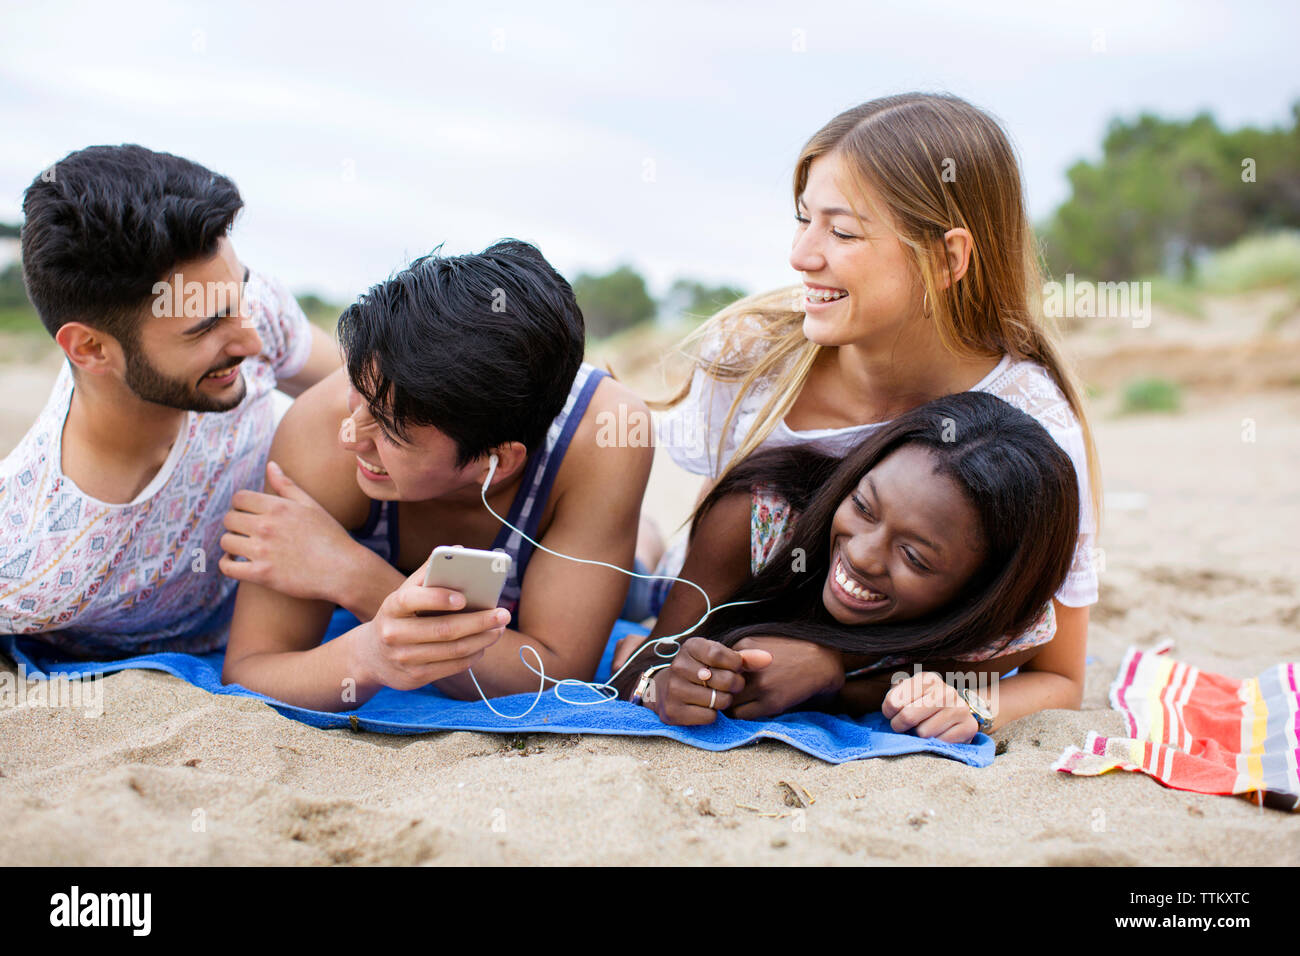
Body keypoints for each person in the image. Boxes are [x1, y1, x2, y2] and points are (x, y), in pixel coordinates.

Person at [617, 92, 1100, 728]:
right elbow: (718, 557)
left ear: (949, 258)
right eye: (803, 218)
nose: (801, 255)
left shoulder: (1032, 432)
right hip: (737, 596)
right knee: (640, 564)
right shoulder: (757, 359)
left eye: (843, 231)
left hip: (881, 639)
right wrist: (664, 665)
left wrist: (916, 689)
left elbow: (1059, 675)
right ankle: (642, 551)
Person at [219, 240, 654, 712]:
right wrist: (365, 656)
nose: (351, 436)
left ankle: (645, 541)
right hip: (508, 592)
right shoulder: (320, 429)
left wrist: (350, 574)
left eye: (388, 429)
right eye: (357, 392)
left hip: (557, 563)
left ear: (494, 462)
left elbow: (555, 677)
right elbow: (249, 670)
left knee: (637, 587)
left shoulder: (603, 436)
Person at [0, 145, 339, 657]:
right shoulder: (27, 552)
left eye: (240, 298)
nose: (250, 340)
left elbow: (370, 398)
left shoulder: (240, 306)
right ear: (91, 349)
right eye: (205, 328)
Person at [614, 392, 1079, 744]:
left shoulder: (998, 630)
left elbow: (1058, 685)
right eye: (863, 505)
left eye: (914, 556)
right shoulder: (755, 516)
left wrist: (834, 669)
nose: (861, 555)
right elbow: (641, 668)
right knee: (636, 580)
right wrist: (663, 682)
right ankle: (648, 542)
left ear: (980, 592)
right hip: (703, 575)